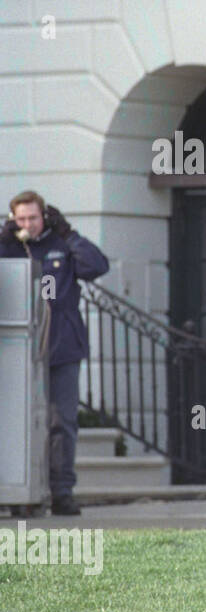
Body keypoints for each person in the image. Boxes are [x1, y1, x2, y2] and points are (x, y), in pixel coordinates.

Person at [0, 191, 109, 516]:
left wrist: (69, 234)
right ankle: (16, 486)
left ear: (44, 217)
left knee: (62, 421)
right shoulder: (9, 247)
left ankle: (61, 490)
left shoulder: (60, 245)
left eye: (33, 218)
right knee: (16, 421)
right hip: (16, 353)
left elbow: (97, 266)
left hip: (61, 344)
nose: (27, 225)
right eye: (20, 219)